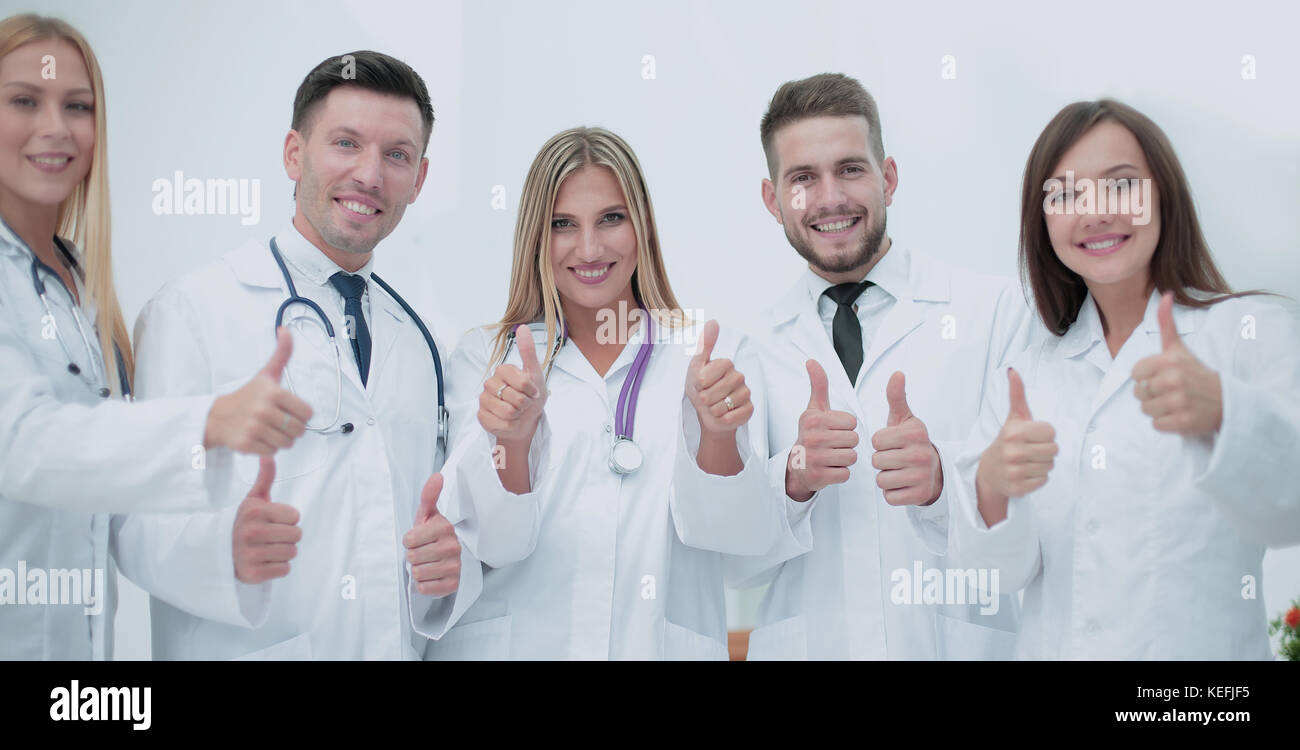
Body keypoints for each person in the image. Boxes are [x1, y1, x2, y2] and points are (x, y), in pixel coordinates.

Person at [111, 50, 471, 660]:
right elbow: (130, 523)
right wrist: (223, 548)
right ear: (294, 154)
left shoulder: (424, 341)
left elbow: (431, 522)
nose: (370, 175)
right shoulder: (193, 311)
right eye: (346, 143)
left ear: (420, 178)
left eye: (396, 155)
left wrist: (449, 561)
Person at [0, 14, 310, 660]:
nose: (55, 127)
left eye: (77, 106)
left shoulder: (78, 285)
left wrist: (221, 545)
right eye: (24, 101)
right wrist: (209, 421)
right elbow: (24, 442)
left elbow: (111, 497)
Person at [949, 99, 1300, 659]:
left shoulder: (1247, 333)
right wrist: (991, 485)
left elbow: (1289, 510)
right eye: (1064, 194)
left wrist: (1226, 413)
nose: (1094, 213)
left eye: (1121, 185)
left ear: (1164, 196)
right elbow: (994, 578)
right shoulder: (1025, 378)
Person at [424, 126, 783, 660]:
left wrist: (717, 437)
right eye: (562, 224)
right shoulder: (485, 358)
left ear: (642, 225)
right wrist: (513, 444)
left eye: (611, 218)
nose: (589, 248)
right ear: (535, 237)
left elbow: (740, 542)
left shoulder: (716, 355)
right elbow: (491, 545)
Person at [729, 73, 1030, 660]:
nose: (830, 198)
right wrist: (792, 480)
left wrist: (944, 485)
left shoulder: (994, 313)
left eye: (850, 169)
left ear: (887, 179)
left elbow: (1037, 525)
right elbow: (730, 561)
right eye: (802, 179)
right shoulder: (748, 346)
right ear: (773, 200)